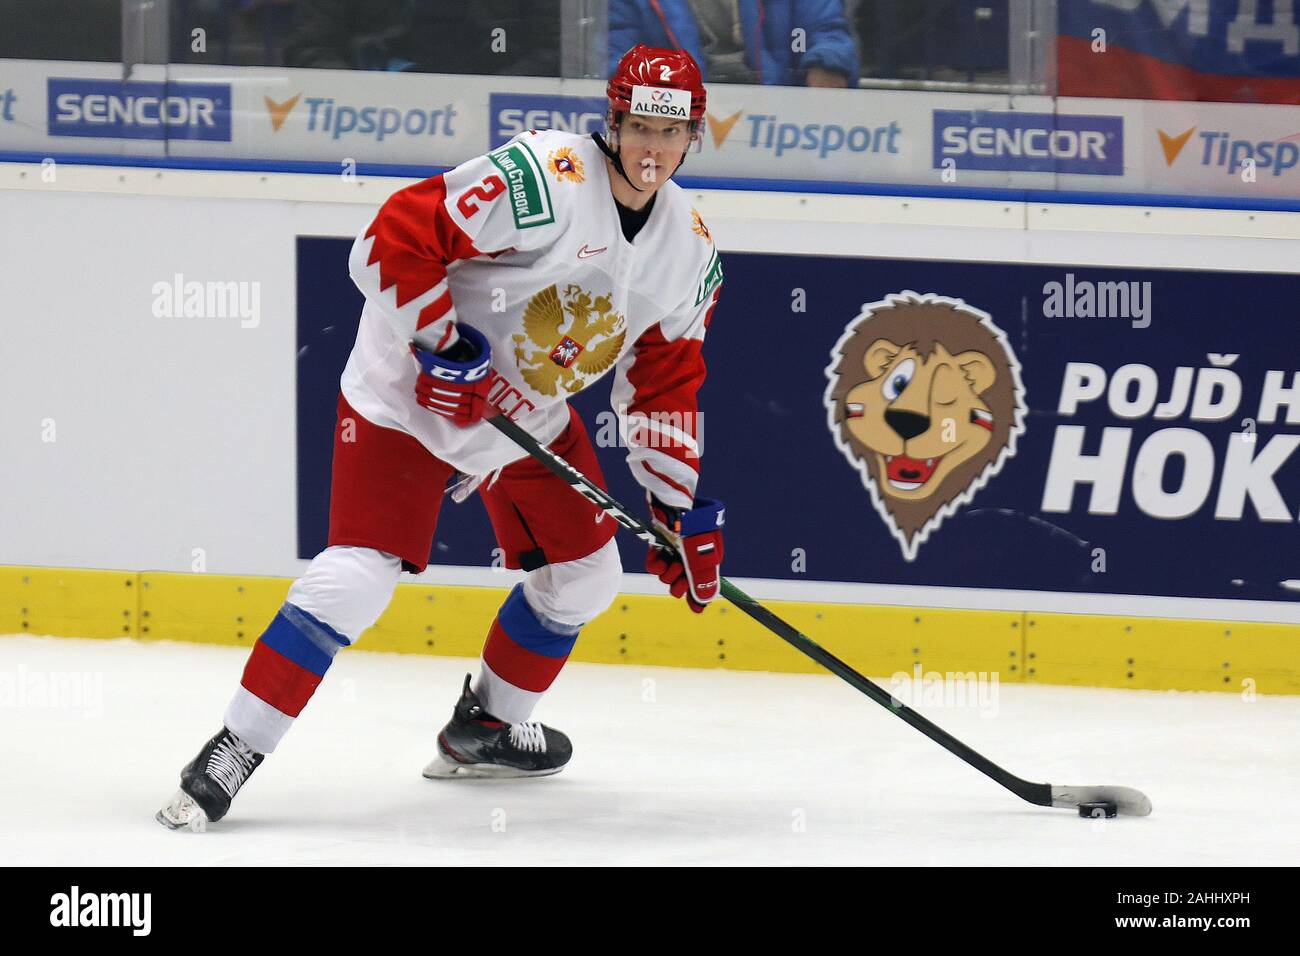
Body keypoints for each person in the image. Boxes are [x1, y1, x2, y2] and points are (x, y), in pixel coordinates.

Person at [157, 45, 726, 831]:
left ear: (695, 135)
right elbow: (389, 238)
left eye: (671, 133)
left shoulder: (688, 248)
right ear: (613, 119)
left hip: (524, 416)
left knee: (589, 579)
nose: (652, 149)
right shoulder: (545, 179)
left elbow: (665, 379)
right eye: (639, 127)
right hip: (407, 397)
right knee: (353, 581)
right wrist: (441, 340)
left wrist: (674, 510)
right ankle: (232, 748)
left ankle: (482, 731)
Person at [609, 0, 858, 87]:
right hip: (677, 124)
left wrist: (827, 63)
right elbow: (617, 57)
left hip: (777, 122)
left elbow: (824, 29)